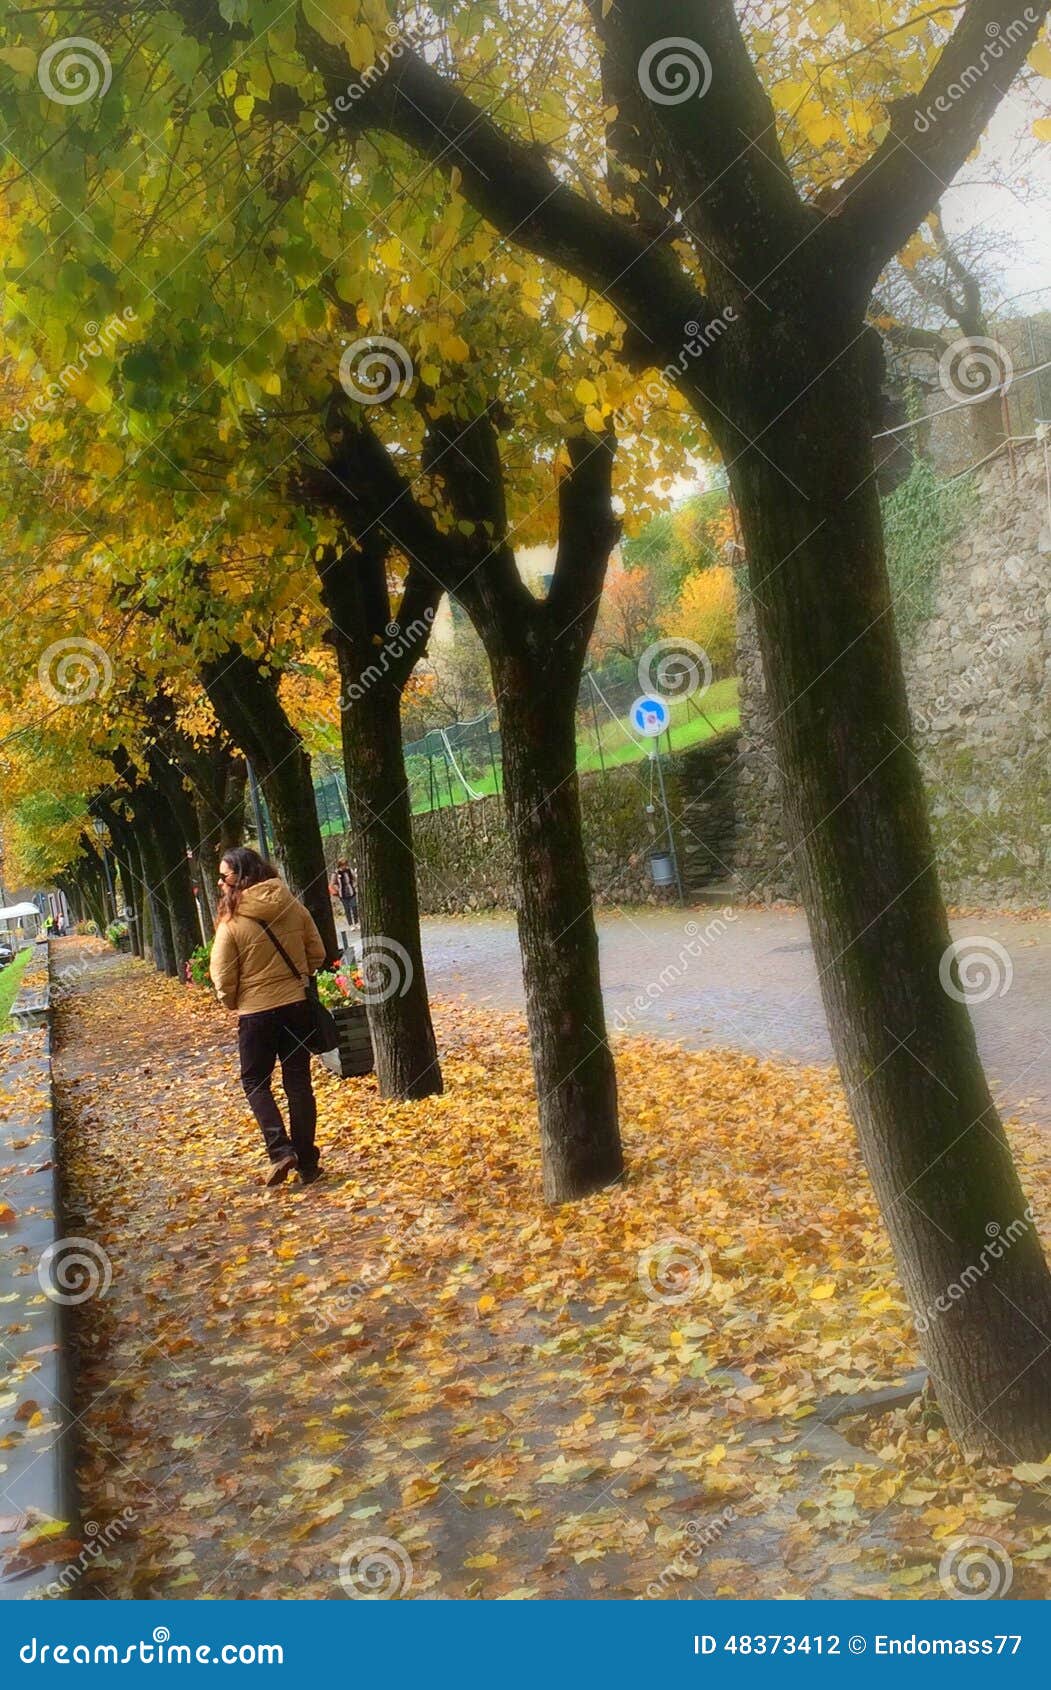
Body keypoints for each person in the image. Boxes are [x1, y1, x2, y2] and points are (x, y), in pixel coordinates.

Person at [209, 846, 327, 1188]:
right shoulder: (292, 904)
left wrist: (232, 1000)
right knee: (298, 1084)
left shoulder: (231, 921)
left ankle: (279, 1150)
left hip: (256, 1015)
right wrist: (295, 978)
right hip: (295, 1008)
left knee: (254, 1082)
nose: (220, 882)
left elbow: (222, 975)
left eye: (224, 876)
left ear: (240, 877)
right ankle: (307, 1163)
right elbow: (316, 953)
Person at [330, 858, 358, 926]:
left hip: (351, 891)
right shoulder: (336, 873)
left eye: (345, 865)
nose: (344, 866)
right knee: (347, 909)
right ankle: (351, 924)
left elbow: (355, 878)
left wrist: (354, 885)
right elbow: (333, 883)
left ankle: (356, 922)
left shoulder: (349, 870)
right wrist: (338, 889)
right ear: (339, 865)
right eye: (342, 865)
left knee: (354, 907)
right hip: (342, 894)